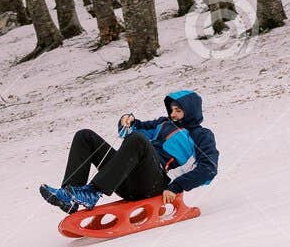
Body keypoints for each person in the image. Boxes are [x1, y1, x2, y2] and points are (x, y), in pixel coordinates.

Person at [40, 89, 219, 213]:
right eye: (172, 109)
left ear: (190, 111)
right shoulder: (163, 123)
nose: (173, 114)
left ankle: (93, 192)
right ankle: (70, 196)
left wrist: (176, 186)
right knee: (85, 136)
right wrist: (127, 121)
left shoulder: (201, 136)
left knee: (138, 140)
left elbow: (208, 169)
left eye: (178, 110)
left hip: (155, 185)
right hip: (125, 179)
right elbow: (133, 130)